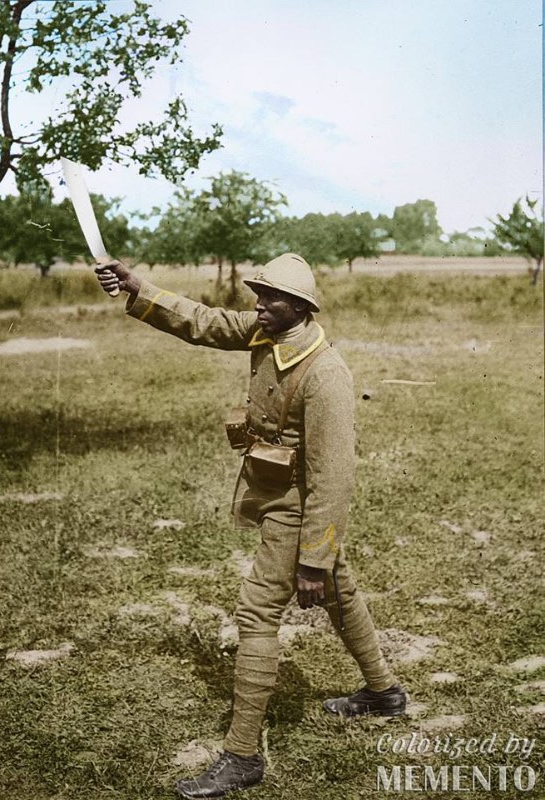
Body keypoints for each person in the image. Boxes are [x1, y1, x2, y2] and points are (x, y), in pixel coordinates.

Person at [96, 253, 406, 799]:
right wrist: (135, 287)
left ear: (302, 309)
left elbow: (332, 481)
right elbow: (202, 321)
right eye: (257, 294)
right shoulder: (267, 332)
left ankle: (241, 756)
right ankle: (384, 693)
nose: (258, 305)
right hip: (272, 494)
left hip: (300, 508)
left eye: (271, 298)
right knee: (340, 589)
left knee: (258, 611)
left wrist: (313, 559)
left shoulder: (326, 374)